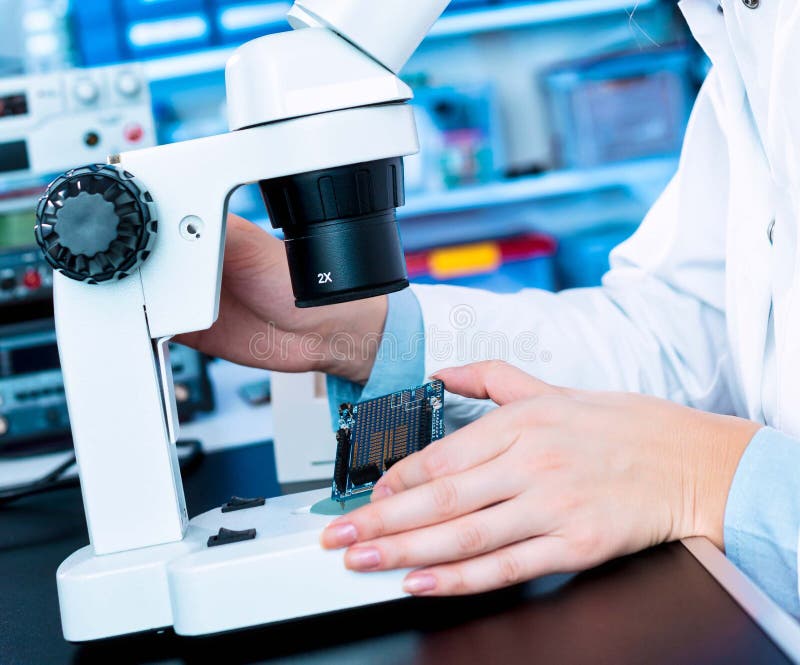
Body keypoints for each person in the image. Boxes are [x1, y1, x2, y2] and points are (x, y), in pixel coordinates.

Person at [181, 0, 800, 615]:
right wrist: (363, 332)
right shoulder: (750, 28)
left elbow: (687, 451)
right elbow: (687, 335)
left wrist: (711, 475)